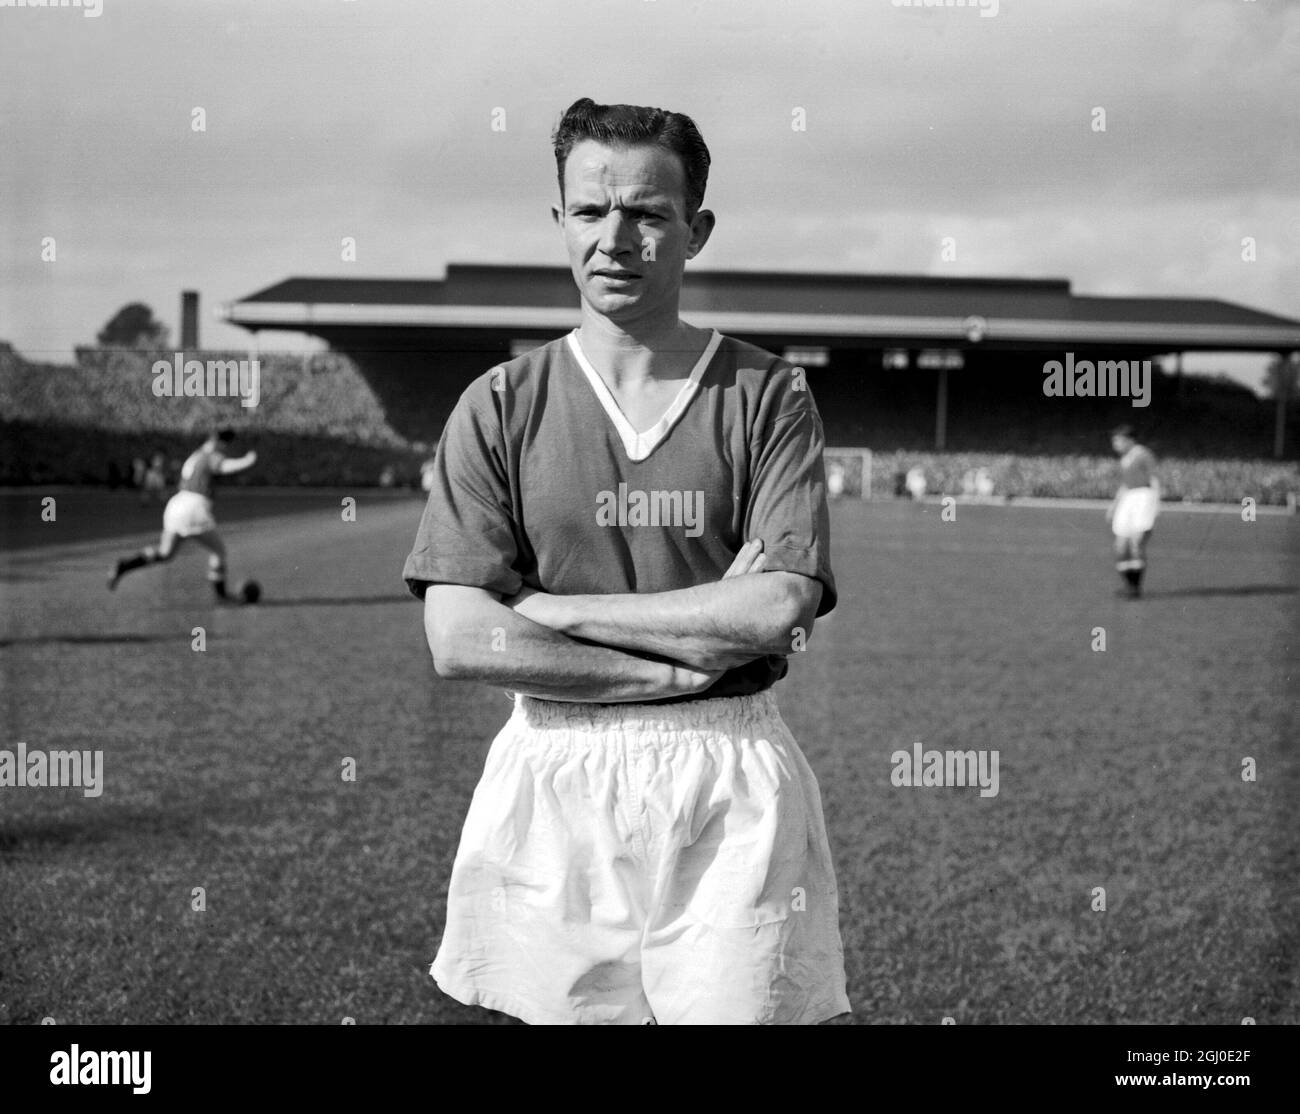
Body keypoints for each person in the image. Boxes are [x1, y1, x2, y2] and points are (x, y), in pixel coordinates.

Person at [403, 98, 849, 1025]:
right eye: (590, 211)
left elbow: (774, 613)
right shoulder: (496, 403)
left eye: (649, 213)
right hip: (552, 765)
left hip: (730, 769)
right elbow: (459, 638)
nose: (617, 238)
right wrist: (689, 652)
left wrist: (548, 611)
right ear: (558, 222)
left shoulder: (770, 395)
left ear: (697, 231)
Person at [108, 428, 257, 600]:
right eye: (225, 445)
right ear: (218, 442)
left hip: (176, 504)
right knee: (219, 551)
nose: (224, 450)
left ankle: (124, 565)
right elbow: (224, 466)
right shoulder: (210, 455)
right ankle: (222, 596)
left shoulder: (195, 455)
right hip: (194, 507)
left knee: (165, 553)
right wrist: (247, 460)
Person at [1105, 424, 1160, 598]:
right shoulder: (1125, 458)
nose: (1115, 444)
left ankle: (1136, 587)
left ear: (1129, 440)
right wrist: (1114, 506)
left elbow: (1154, 479)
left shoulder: (1143, 455)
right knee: (1120, 544)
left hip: (1143, 497)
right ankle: (1129, 585)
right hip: (1128, 498)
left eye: (1118, 440)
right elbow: (1125, 484)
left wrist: (1156, 504)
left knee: (1136, 543)